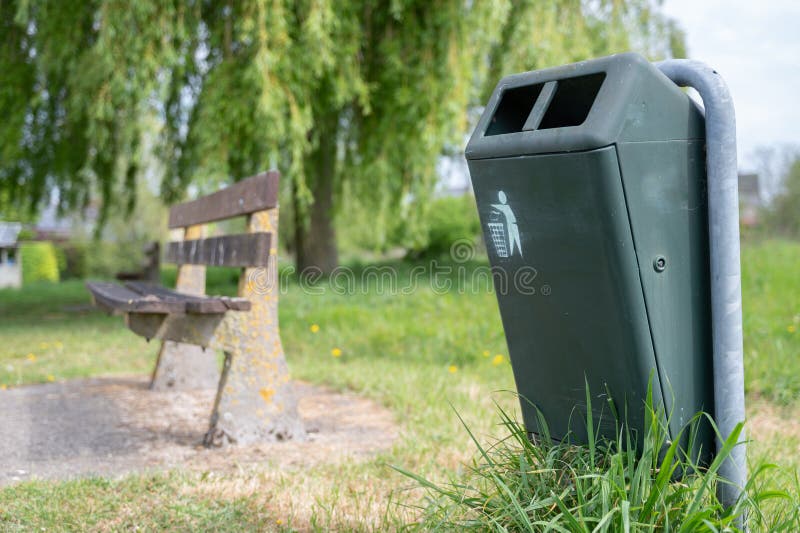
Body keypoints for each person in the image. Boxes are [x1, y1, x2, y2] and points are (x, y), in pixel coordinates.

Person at [491, 190, 522, 257]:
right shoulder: (504, 207)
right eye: (501, 198)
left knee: (517, 242)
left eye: (503, 197)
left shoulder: (506, 206)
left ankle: (520, 255)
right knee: (511, 242)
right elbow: (496, 206)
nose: (503, 199)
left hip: (514, 224)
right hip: (510, 225)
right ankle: (513, 255)